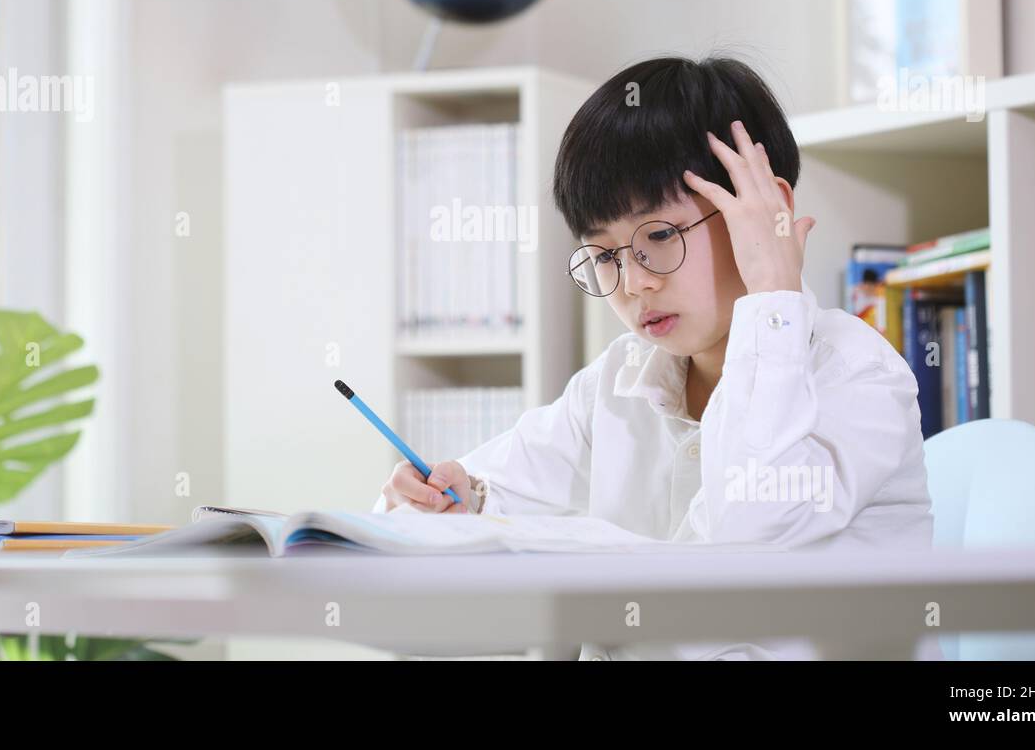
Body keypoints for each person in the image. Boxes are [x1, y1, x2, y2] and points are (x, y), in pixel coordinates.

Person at [374, 54, 934, 660]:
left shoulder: (858, 376)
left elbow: (752, 533)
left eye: (660, 236)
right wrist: (446, 502)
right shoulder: (618, 380)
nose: (634, 283)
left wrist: (773, 290)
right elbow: (479, 498)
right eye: (604, 255)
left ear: (764, 211)